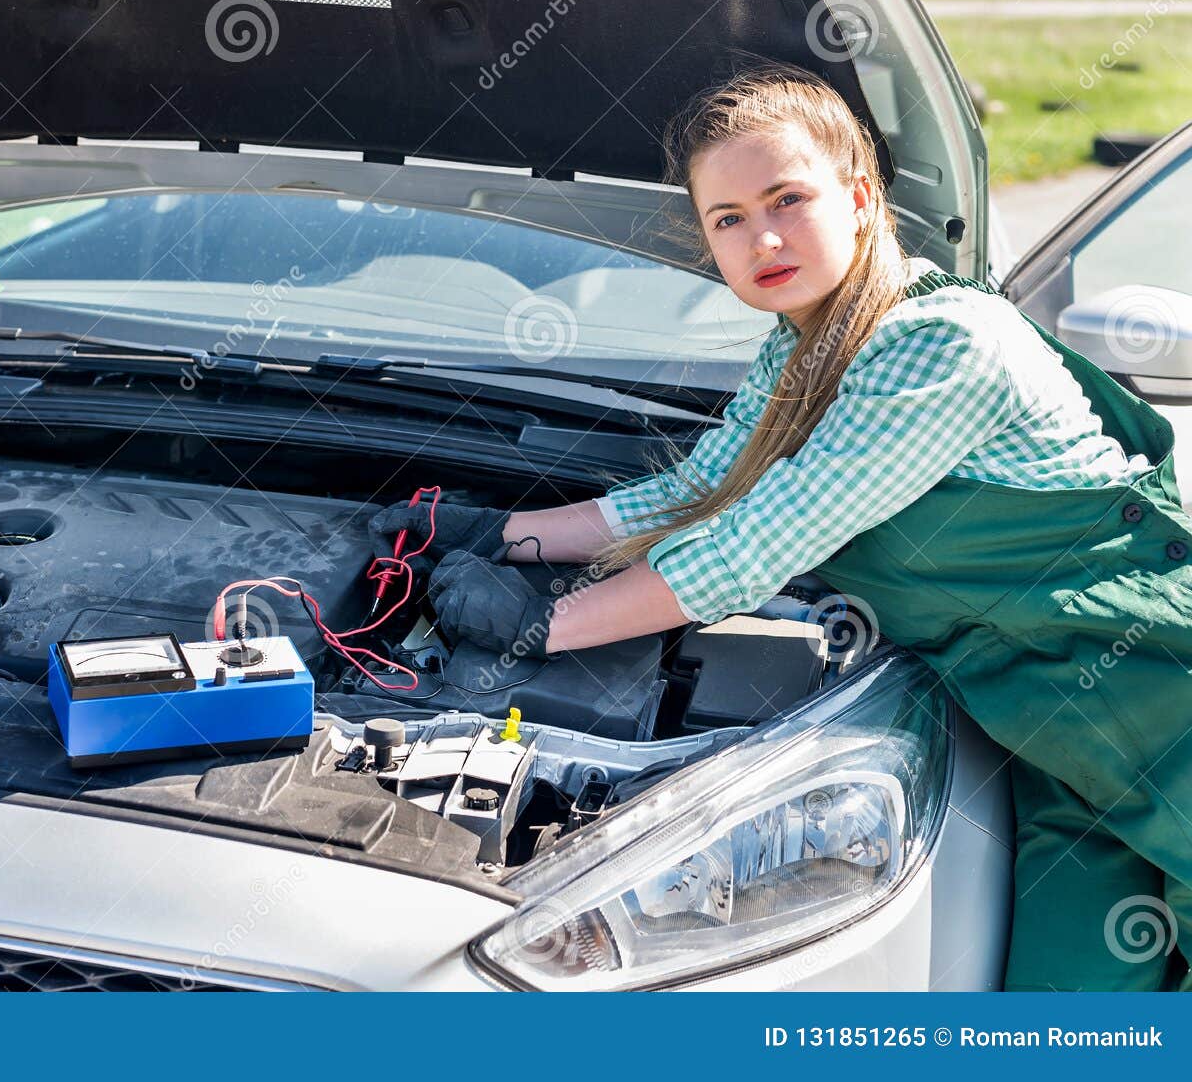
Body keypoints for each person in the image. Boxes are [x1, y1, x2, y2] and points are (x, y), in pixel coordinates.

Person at [367, 64, 1192, 991]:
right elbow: (700, 495)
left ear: (861, 195)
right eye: (727, 219)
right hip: (1061, 745)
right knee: (1073, 1001)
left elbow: (753, 545)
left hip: (1169, 703)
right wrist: (500, 533)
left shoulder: (946, 343)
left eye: (786, 199)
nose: (759, 237)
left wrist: (541, 627)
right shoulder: (802, 350)